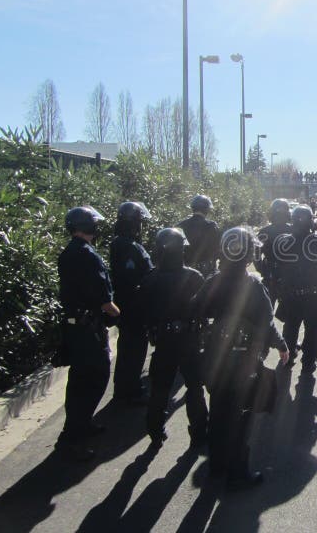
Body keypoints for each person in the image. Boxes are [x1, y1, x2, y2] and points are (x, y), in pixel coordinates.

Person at [195, 227, 289, 489]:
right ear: (248, 253)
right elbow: (267, 322)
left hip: (215, 358)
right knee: (240, 416)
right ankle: (237, 474)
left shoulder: (212, 281)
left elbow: (194, 310)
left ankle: (216, 466)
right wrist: (281, 344)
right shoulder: (253, 285)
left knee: (217, 412)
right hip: (243, 359)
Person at [55, 206, 120, 461]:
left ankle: (81, 425)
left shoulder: (68, 253)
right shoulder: (88, 255)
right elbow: (103, 297)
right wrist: (117, 313)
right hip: (88, 327)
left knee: (80, 379)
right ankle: (73, 439)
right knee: (94, 377)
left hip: (74, 326)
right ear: (89, 226)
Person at [138, 228, 207, 449]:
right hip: (189, 338)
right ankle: (198, 432)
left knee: (160, 387)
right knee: (195, 387)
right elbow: (204, 309)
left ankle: (155, 430)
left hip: (164, 340)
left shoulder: (150, 279)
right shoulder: (194, 276)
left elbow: (144, 312)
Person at [275, 205, 317, 373]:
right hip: (316, 295)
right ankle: (309, 363)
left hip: (291, 295)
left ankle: (287, 359)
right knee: (312, 330)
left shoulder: (284, 241)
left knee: (290, 327)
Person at [109, 201, 154, 404]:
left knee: (128, 347)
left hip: (125, 306)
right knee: (134, 349)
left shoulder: (119, 243)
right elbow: (137, 277)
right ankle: (130, 390)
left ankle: (124, 387)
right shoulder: (129, 247)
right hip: (133, 307)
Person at [255, 198, 292, 306]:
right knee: (290, 314)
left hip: (272, 272)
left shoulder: (265, 231)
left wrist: (261, 268)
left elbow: (256, 254)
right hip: (288, 273)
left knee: (267, 310)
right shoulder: (293, 230)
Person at [177, 194, 220, 277]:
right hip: (206, 271)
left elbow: (179, 248)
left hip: (185, 271)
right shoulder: (211, 226)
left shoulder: (181, 225)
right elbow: (216, 249)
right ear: (207, 209)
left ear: (193, 207)